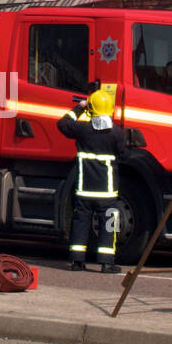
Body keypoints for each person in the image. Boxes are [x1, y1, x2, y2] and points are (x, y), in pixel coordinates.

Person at [58, 86, 128, 273]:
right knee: (108, 224)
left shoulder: (82, 130)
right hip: (107, 191)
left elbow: (62, 124)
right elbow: (124, 155)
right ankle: (106, 263)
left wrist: (79, 108)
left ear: (91, 107)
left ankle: (76, 261)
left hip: (84, 189)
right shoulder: (116, 133)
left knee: (80, 222)